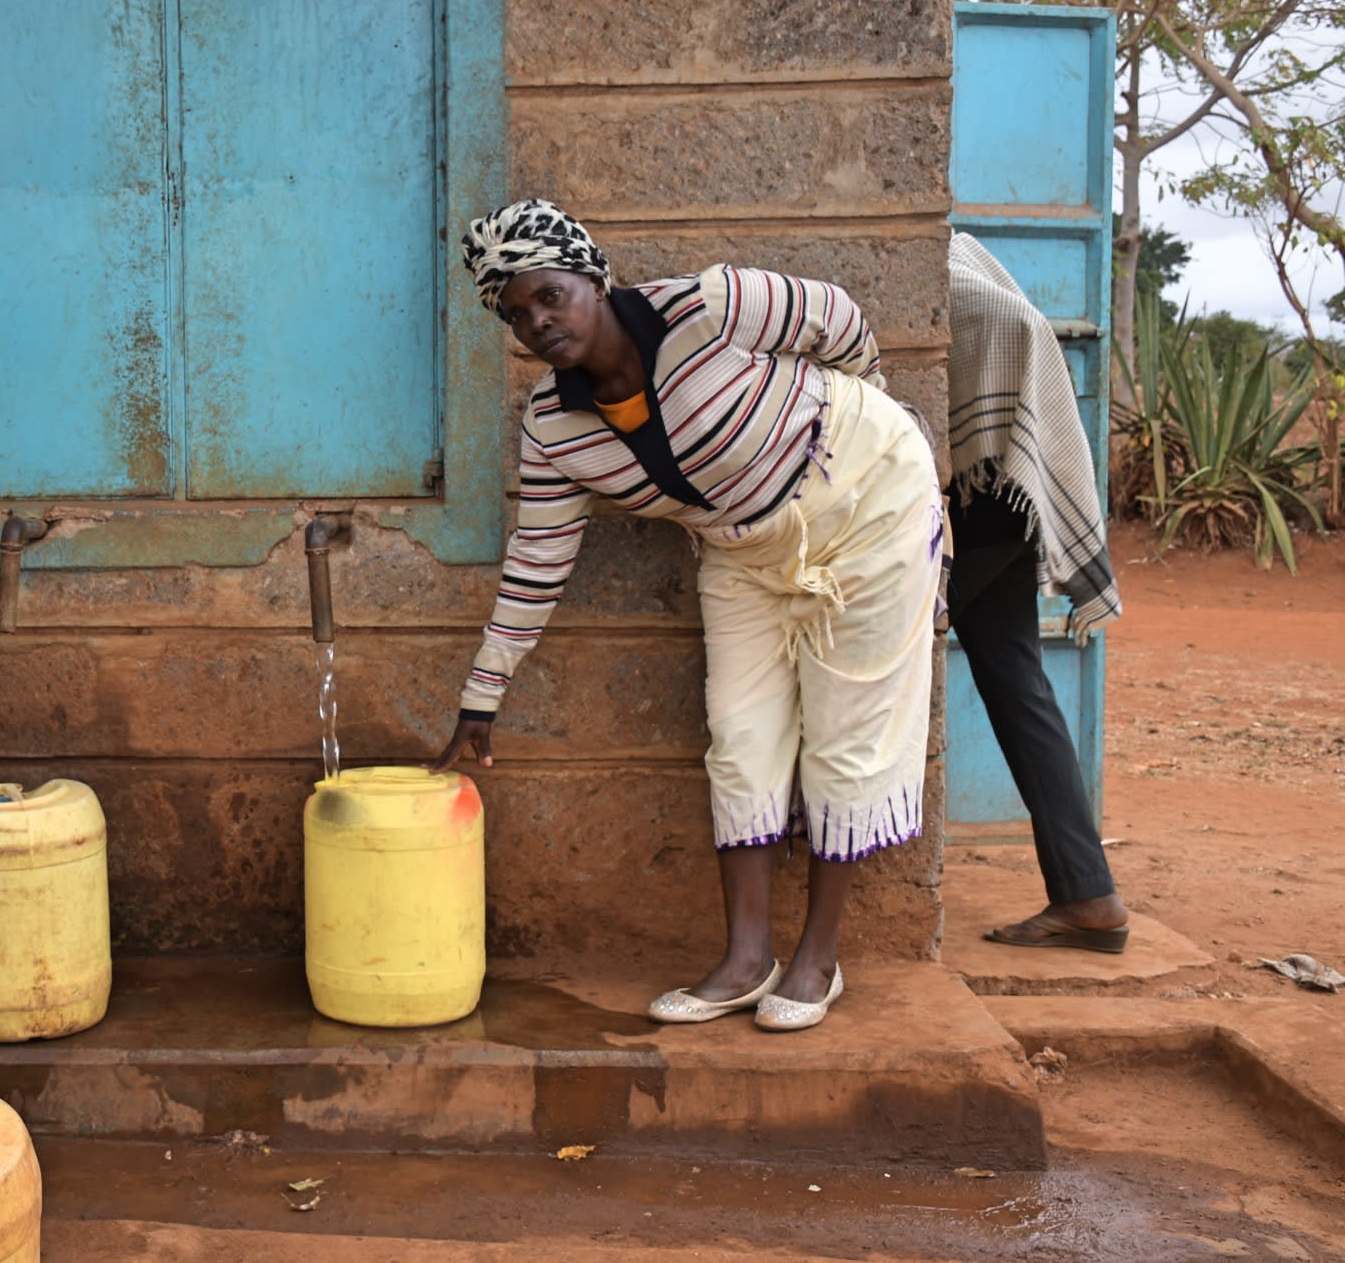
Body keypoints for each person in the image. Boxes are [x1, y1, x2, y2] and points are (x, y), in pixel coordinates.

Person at [432, 200, 943, 1032]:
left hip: (867, 501)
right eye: (516, 312)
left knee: (848, 729)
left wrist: (863, 409)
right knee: (739, 734)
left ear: (593, 277)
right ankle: (747, 959)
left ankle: (818, 957)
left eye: (550, 295)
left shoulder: (713, 307)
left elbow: (840, 320)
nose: (537, 321)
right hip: (741, 546)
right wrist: (481, 697)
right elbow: (538, 557)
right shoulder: (555, 427)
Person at [945, 231, 1129, 951]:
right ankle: (1088, 895)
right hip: (1009, 495)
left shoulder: (943, 266)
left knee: (875, 655)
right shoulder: (961, 250)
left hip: (985, 492)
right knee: (1016, 681)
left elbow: (1011, 326)